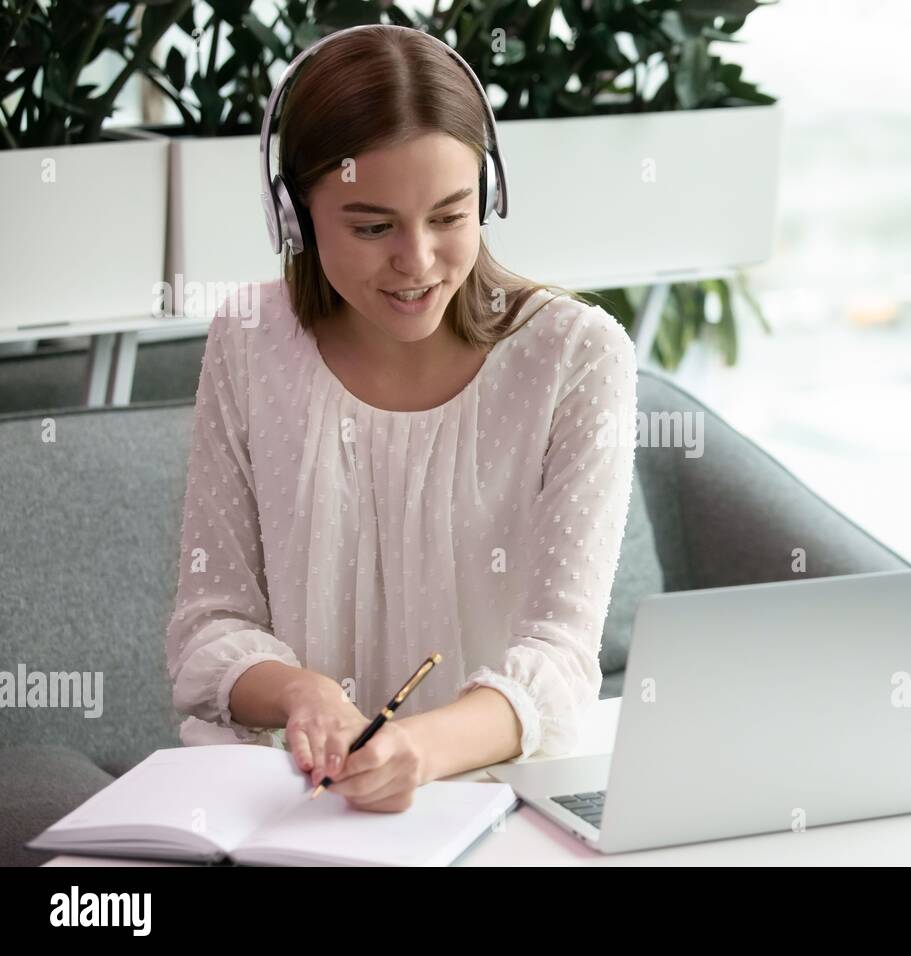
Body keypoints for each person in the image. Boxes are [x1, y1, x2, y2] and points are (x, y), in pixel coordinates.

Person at [164, 26, 637, 813]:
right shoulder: (249, 338)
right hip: (295, 800)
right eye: (373, 227)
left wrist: (417, 750)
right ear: (295, 216)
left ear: (489, 197)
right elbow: (210, 626)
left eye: (450, 217)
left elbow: (559, 660)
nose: (416, 262)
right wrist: (301, 695)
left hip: (498, 804)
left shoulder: (578, 356)